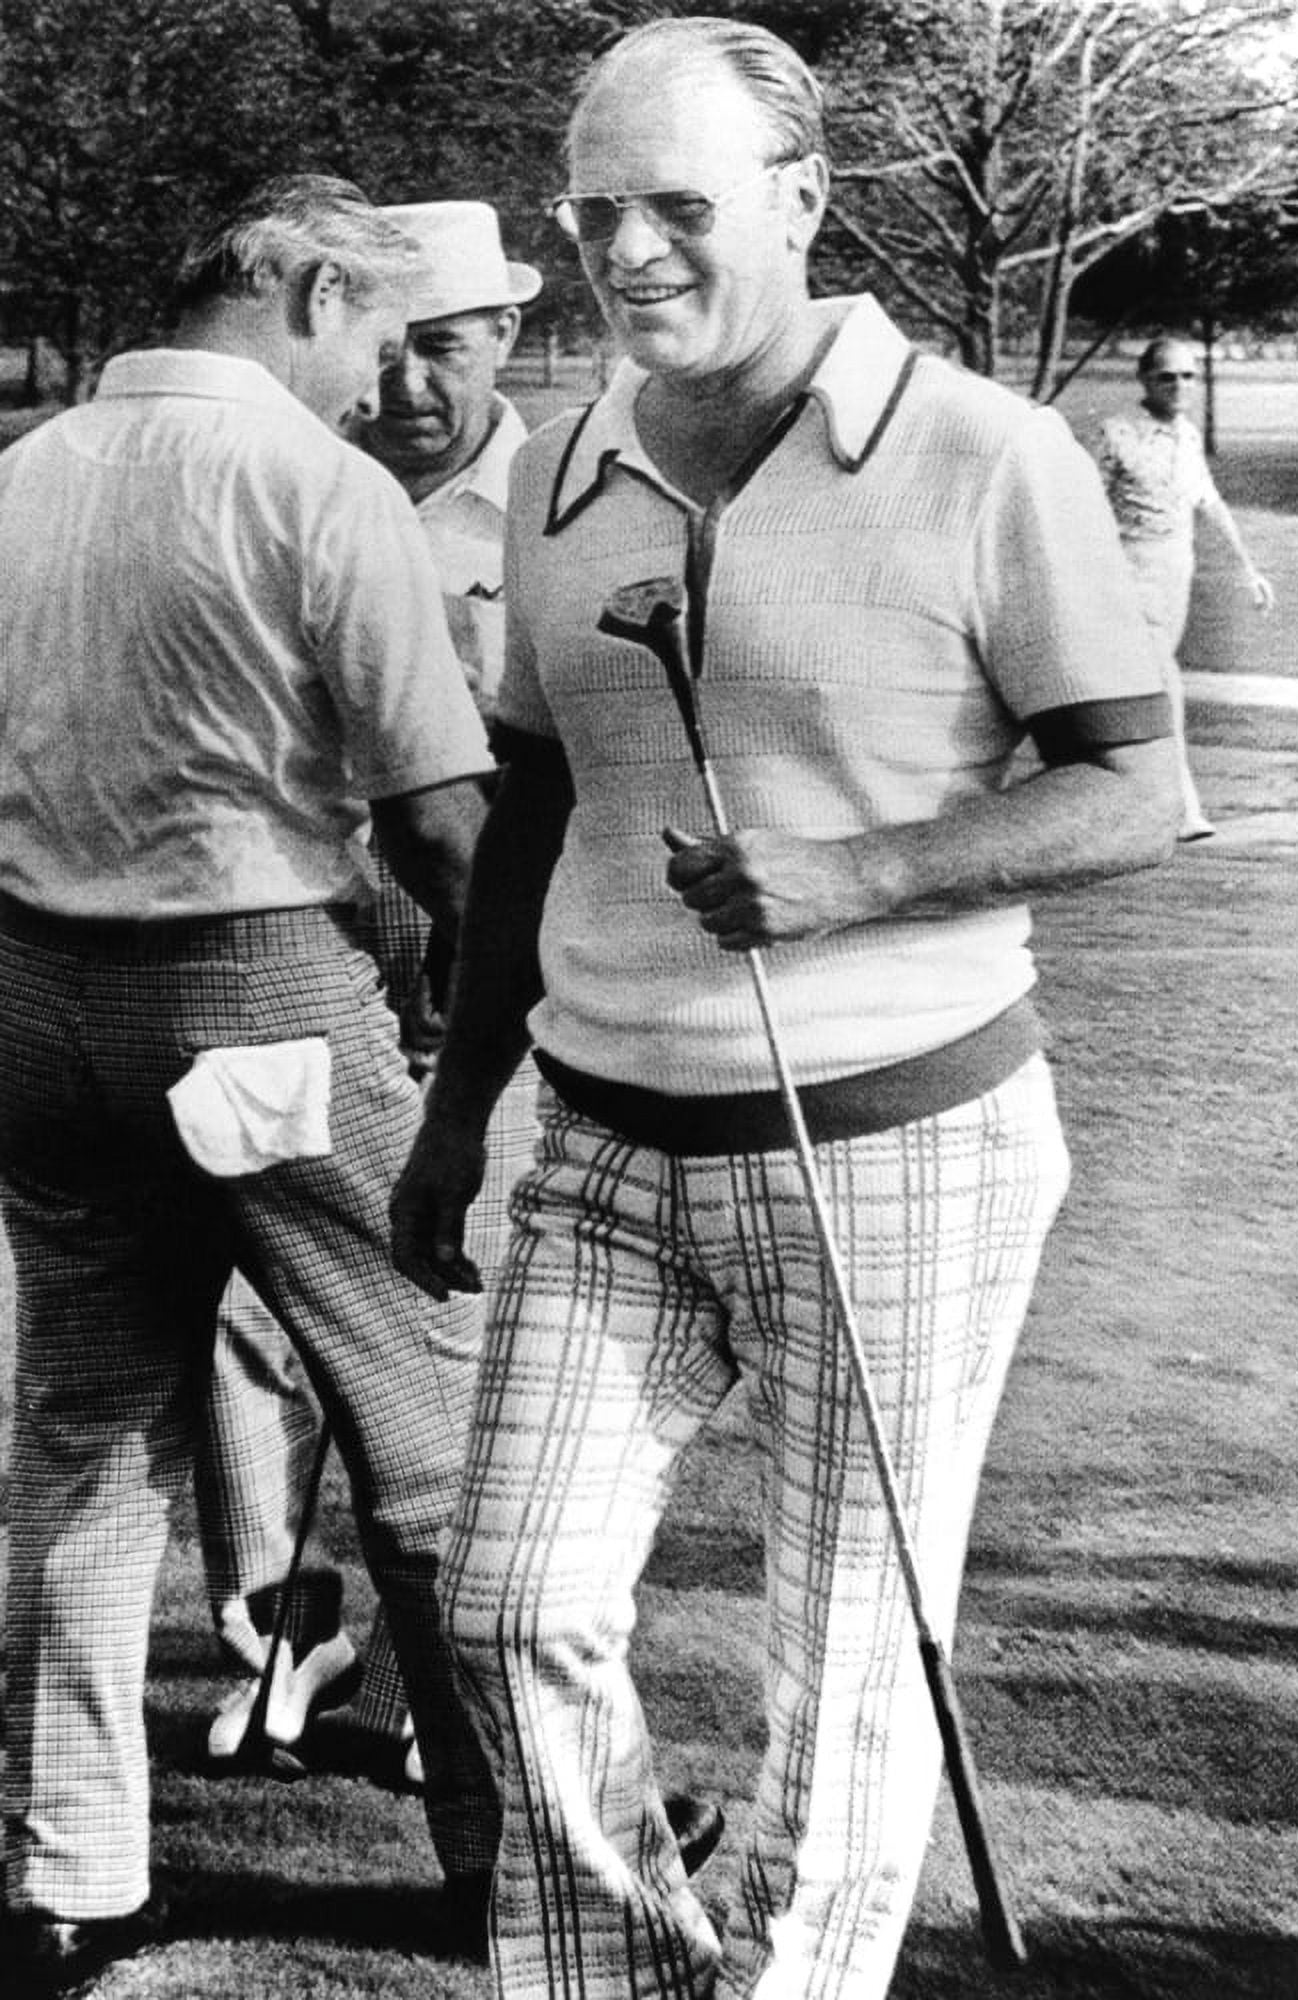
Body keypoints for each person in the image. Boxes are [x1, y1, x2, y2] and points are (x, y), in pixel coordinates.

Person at [391, 17, 1180, 2000]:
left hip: (890, 1131)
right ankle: (614, 1971)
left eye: (678, 206)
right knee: (502, 1599)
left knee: (837, 1662)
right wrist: (447, 1109)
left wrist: (851, 875)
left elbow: (1135, 789)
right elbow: (536, 813)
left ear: (802, 201)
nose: (627, 254)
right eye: (594, 215)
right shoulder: (560, 461)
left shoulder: (982, 457)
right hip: (596, 1137)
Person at [0, 175, 502, 1997]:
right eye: (371, 333)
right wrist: (518, 1009)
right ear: (295, 289)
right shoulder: (318, 486)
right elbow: (444, 824)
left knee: (82, 1447)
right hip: (261, 991)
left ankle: (74, 1878)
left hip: (36, 1005)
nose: (382, 382)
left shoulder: (24, 469)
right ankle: (511, 1858)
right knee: (434, 1437)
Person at [195, 198, 545, 1793]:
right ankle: (279, 1627)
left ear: (506, 340)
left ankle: (442, 1686)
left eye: (446, 348)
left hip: (495, 955)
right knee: (254, 1325)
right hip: (306, 947)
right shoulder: (270, 480)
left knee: (466, 1309)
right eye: (385, 348)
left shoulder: (558, 497)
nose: (404, 384)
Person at [1098, 335, 1275, 841]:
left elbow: (1209, 502)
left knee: (1145, 686)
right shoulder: (1116, 434)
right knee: (1164, 682)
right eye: (1166, 376)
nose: (1178, 386)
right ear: (1145, 380)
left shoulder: (1189, 437)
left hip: (1177, 573)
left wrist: (1248, 568)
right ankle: (1183, 807)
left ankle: (1133, 799)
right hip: (1129, 574)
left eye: (1187, 376)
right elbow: (1083, 508)